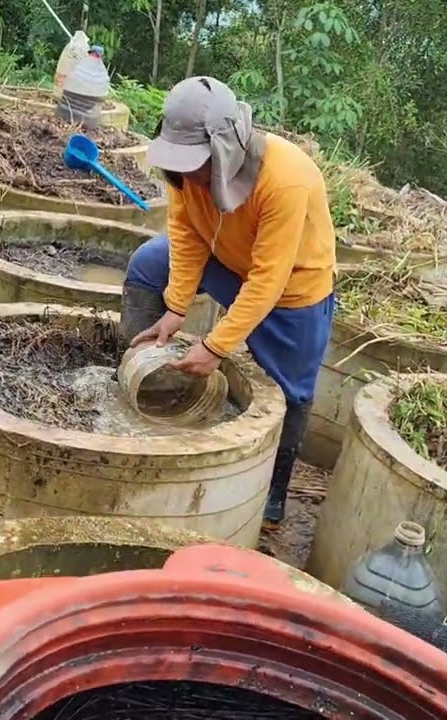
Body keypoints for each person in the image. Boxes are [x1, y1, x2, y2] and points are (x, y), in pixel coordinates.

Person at [121, 76, 336, 525]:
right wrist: (176, 307)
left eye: (199, 166)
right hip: (227, 260)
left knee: (291, 392)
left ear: (225, 151)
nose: (190, 178)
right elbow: (185, 233)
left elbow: (268, 279)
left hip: (293, 291)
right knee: (149, 262)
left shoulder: (285, 180)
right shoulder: (183, 177)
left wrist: (216, 347)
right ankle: (138, 379)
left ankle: (272, 490)